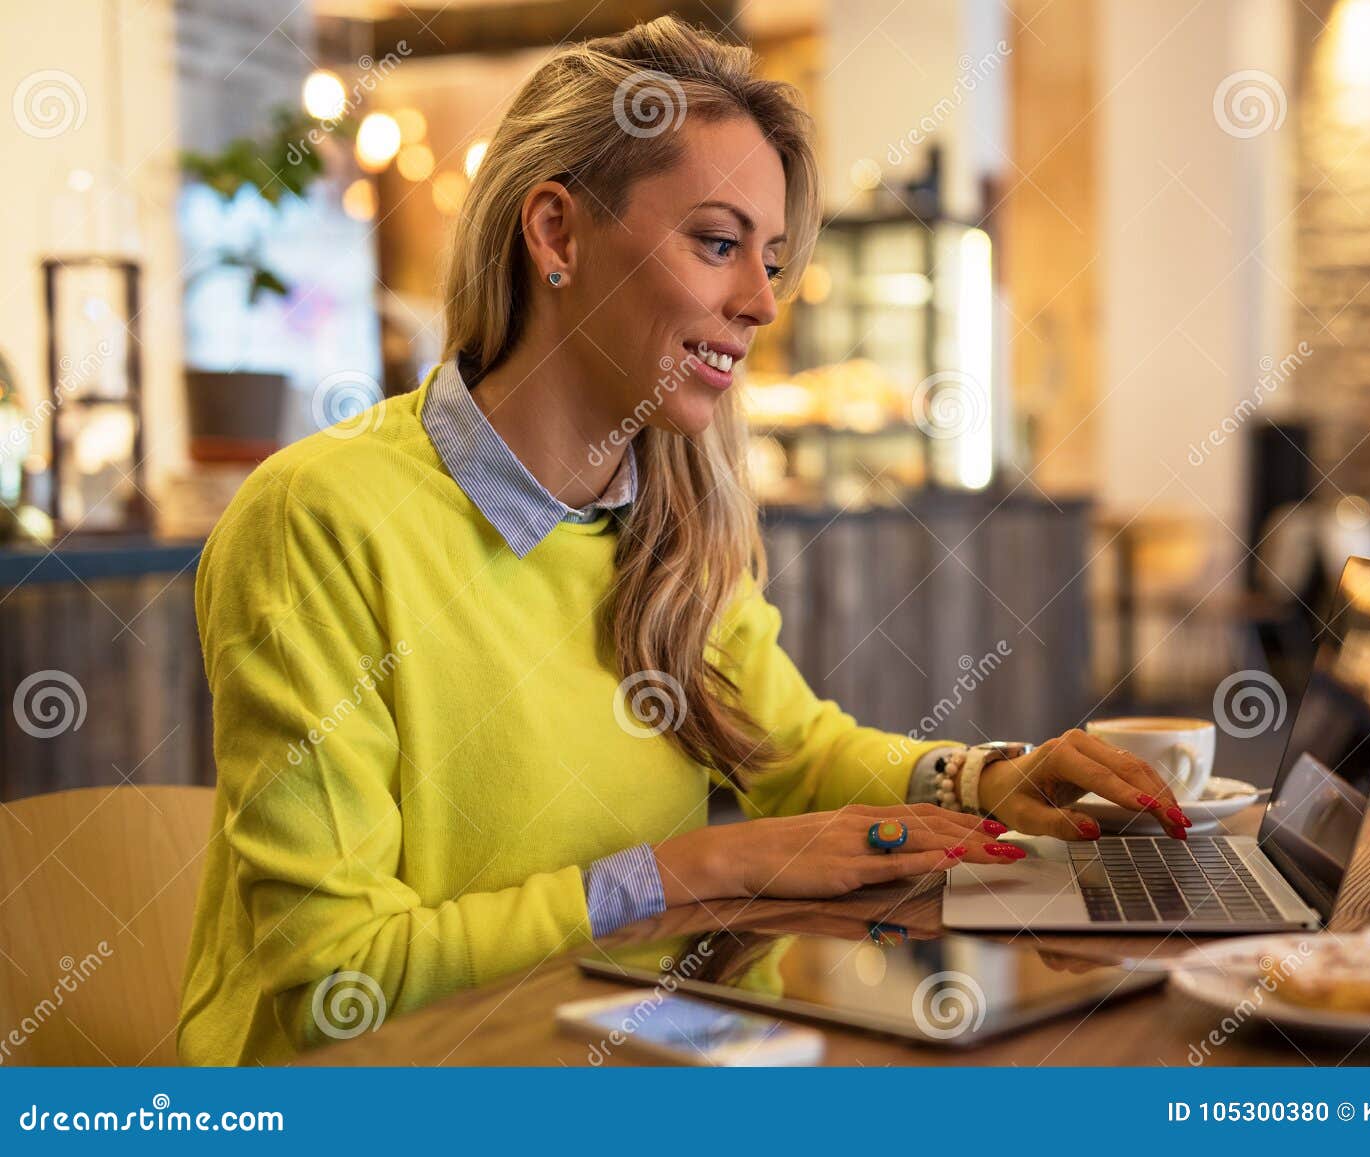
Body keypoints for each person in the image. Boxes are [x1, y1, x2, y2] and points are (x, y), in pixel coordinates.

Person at [175, 16, 1190, 1066]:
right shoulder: (319, 519)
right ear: (557, 234)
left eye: (771, 257)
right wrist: (687, 870)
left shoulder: (669, 513)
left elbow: (796, 755)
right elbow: (336, 986)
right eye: (717, 242)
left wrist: (977, 778)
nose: (758, 301)